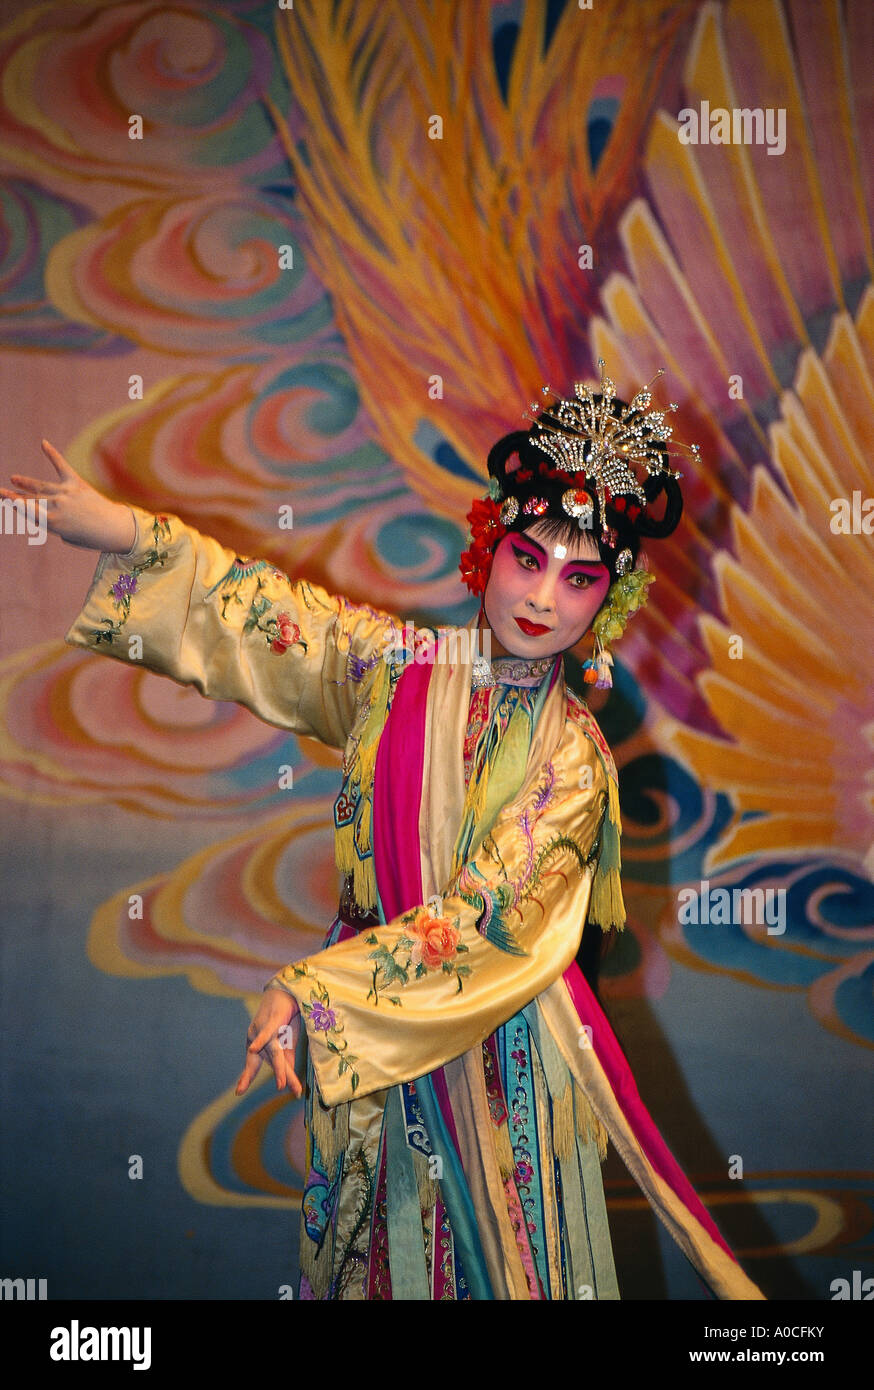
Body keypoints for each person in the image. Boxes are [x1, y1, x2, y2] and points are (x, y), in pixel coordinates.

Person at [4, 367, 763, 1300]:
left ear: (604, 600)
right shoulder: (397, 669)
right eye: (527, 558)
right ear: (489, 549)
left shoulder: (574, 762)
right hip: (369, 1043)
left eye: (578, 578)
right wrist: (129, 534)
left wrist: (312, 994)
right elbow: (270, 616)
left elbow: (486, 921)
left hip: (497, 1060)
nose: (541, 598)